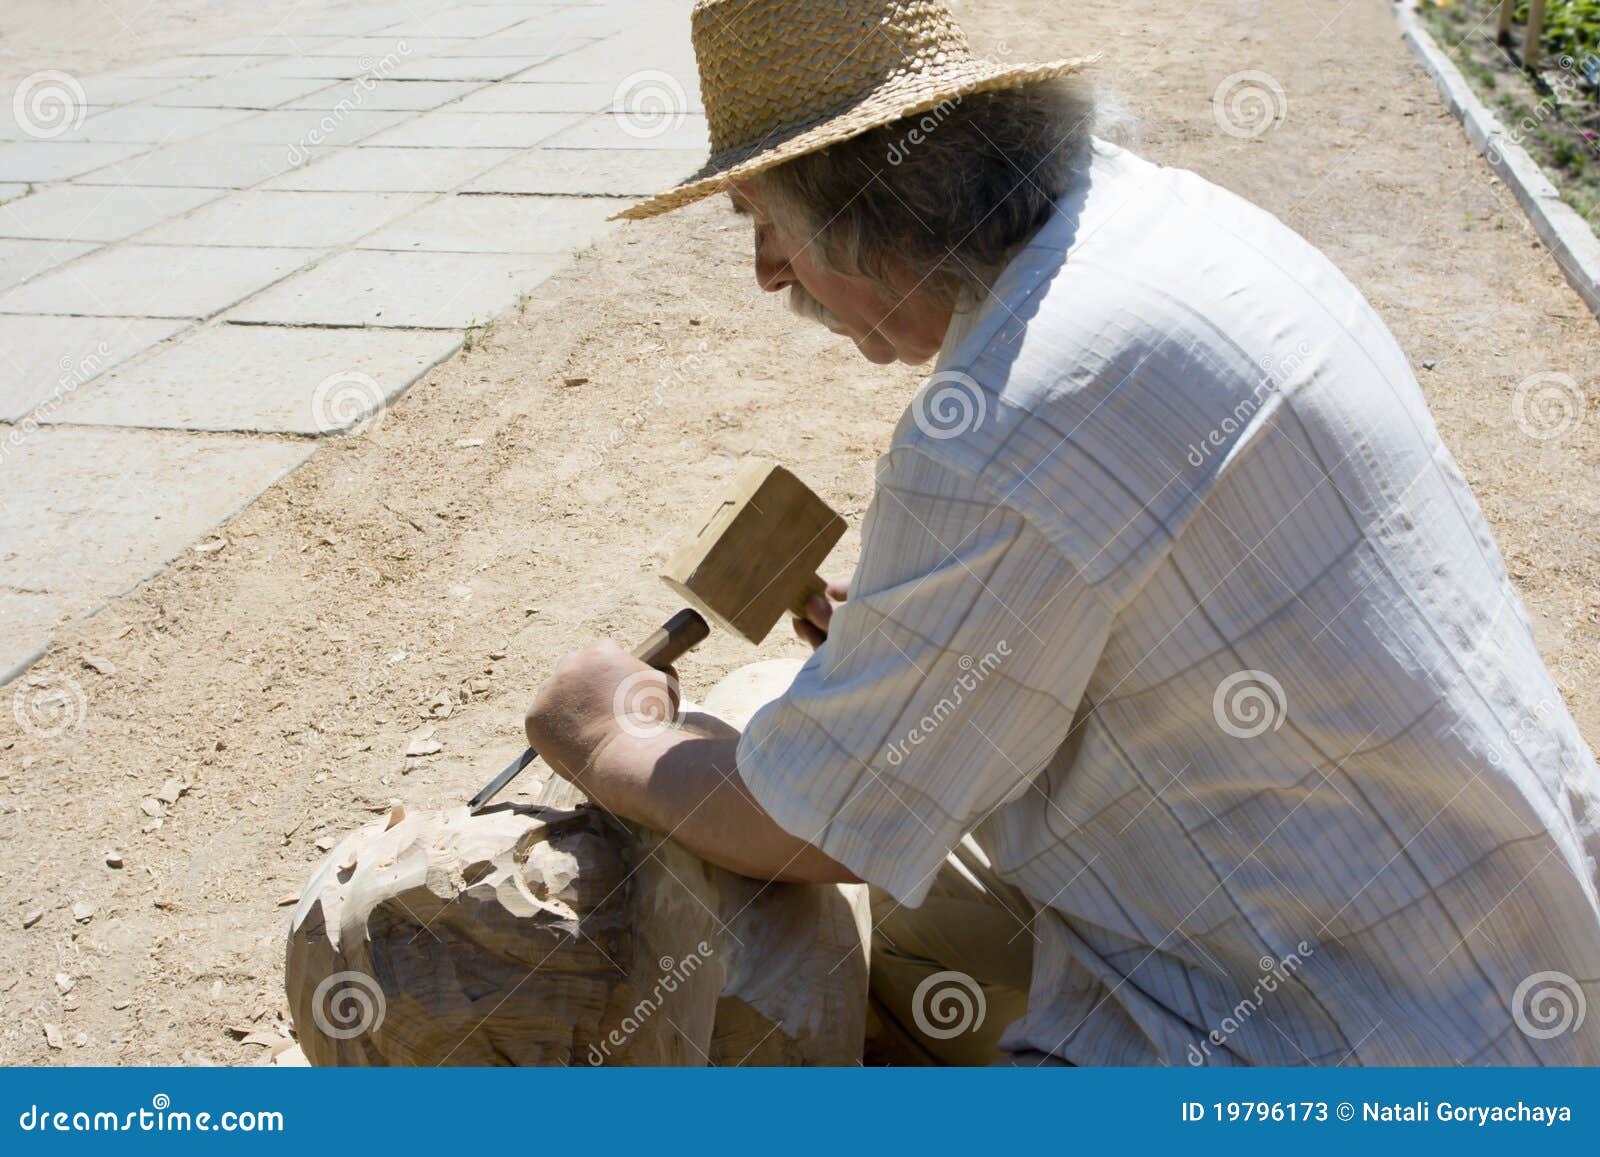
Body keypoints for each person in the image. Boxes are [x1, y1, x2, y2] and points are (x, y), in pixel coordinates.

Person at [523, 0, 1600, 1065]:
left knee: (741, 842)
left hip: (1337, 1049)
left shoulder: (1003, 419)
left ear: (864, 199)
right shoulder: (1171, 220)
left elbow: (809, 819)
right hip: (1523, 963)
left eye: (765, 219)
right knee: (782, 742)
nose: (764, 270)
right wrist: (934, 633)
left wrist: (601, 736)